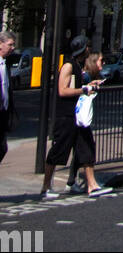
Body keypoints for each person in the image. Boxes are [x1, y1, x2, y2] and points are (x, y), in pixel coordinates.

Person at [41, 36, 113, 199]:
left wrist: (90, 86)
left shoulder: (78, 66)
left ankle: (92, 186)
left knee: (87, 147)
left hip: (78, 117)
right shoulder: (68, 66)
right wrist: (84, 90)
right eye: (87, 46)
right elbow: (62, 91)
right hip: (66, 116)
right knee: (58, 151)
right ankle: (46, 186)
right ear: (83, 48)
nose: (89, 49)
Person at [0, 31, 15, 165]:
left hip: (3, 113)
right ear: (0, 44)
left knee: (2, 147)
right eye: (10, 44)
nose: (13, 48)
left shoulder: (5, 64)